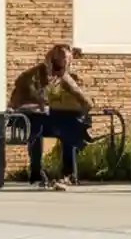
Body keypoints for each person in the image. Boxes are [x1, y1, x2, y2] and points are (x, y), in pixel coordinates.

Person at [7, 44, 93, 190]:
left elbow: (86, 102)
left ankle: (69, 174)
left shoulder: (67, 79)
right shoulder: (34, 76)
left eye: (67, 60)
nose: (64, 64)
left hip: (58, 119)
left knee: (69, 127)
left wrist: (80, 110)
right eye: (60, 60)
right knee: (36, 128)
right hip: (34, 120)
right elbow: (16, 99)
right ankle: (36, 174)